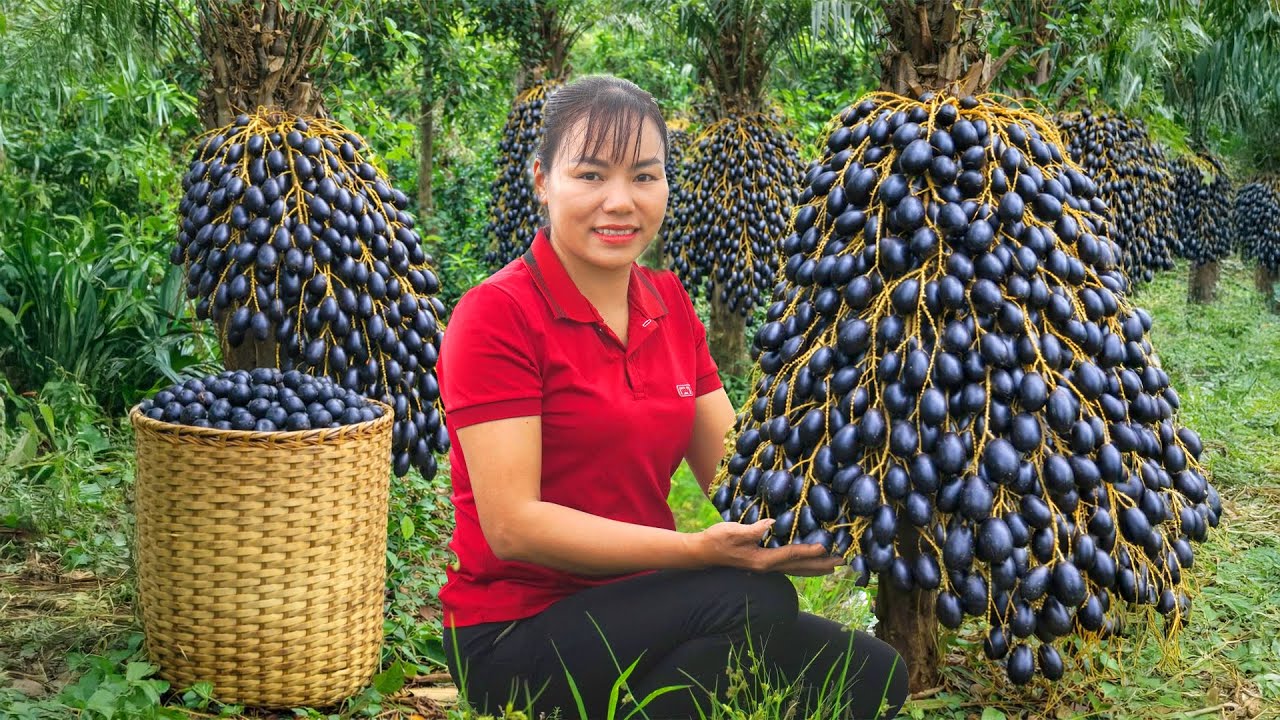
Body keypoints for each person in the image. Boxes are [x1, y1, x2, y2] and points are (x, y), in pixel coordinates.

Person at [437, 74, 909, 719]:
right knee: (751, 601)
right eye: (590, 175)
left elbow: (734, 471)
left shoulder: (669, 304)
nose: (620, 202)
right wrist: (698, 550)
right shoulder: (496, 314)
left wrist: (861, 473)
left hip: (649, 612)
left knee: (873, 676)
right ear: (542, 179)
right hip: (517, 636)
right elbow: (514, 526)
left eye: (645, 176)